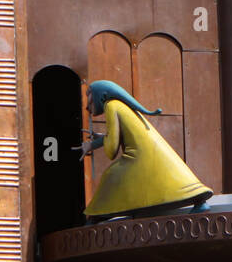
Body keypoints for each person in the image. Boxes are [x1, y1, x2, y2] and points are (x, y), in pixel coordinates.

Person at [78, 80, 212, 217]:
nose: (88, 107)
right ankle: (199, 200)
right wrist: (95, 143)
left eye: (91, 101)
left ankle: (96, 215)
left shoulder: (111, 106)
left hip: (138, 156)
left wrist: (93, 144)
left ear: (101, 95)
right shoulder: (120, 106)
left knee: (110, 176)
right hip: (145, 153)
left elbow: (111, 150)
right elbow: (119, 134)